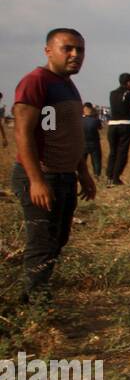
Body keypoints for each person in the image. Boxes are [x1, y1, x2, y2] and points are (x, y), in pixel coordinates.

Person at [10, 29, 95, 303]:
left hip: (65, 175)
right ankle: (36, 303)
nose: (75, 55)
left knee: (58, 238)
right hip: (41, 176)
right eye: (67, 48)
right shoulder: (36, 82)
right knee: (42, 242)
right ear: (48, 51)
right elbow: (23, 133)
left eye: (80, 50)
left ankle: (32, 294)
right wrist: (36, 180)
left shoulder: (67, 84)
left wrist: (83, 172)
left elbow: (66, 134)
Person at [105, 73, 130, 185]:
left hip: (112, 125)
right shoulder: (129, 93)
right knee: (122, 152)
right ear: (128, 82)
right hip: (125, 124)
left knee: (113, 151)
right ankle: (116, 177)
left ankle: (109, 176)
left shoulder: (112, 93)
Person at [81, 102, 103, 178]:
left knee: (82, 161)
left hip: (83, 143)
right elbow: (100, 127)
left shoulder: (80, 120)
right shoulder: (95, 120)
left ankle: (82, 175)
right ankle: (97, 175)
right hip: (94, 143)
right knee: (96, 161)